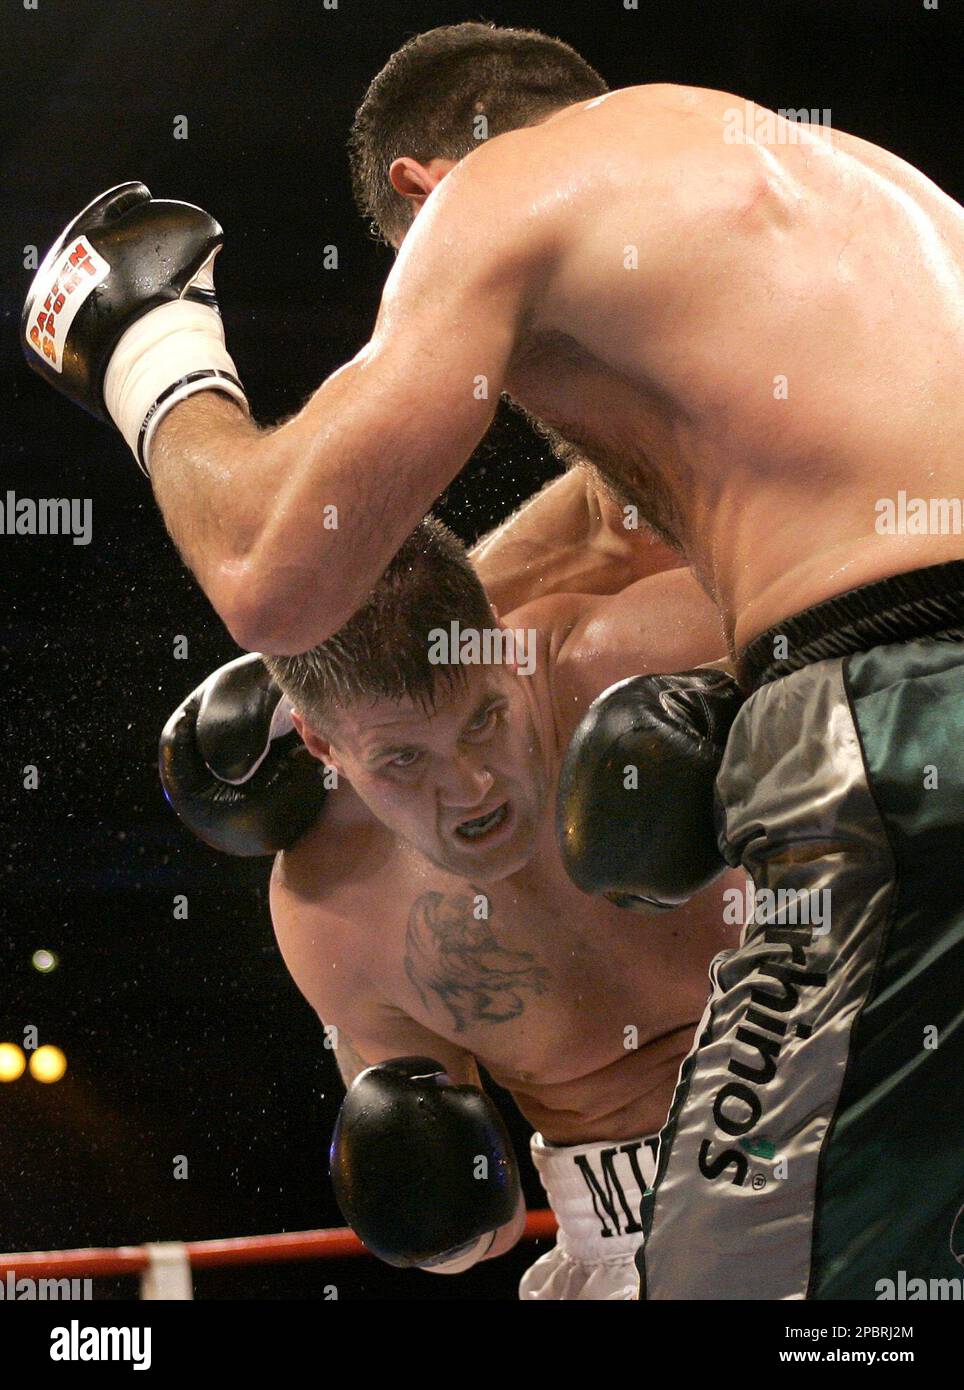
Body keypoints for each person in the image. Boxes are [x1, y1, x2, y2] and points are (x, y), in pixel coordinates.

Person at [25, 22, 964, 1298]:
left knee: (735, 1274)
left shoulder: (502, 193)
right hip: (912, 681)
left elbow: (264, 567)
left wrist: (154, 364)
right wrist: (352, 664)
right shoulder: (834, 190)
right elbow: (616, 511)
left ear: (425, 189)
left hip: (892, 706)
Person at [162, 494, 746, 1298]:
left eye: (483, 721)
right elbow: (474, 1226)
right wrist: (431, 1221)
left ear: (504, 644)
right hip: (625, 1253)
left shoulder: (649, 655)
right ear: (323, 744)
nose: (469, 786)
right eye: (403, 760)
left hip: (876, 1138)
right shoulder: (334, 905)